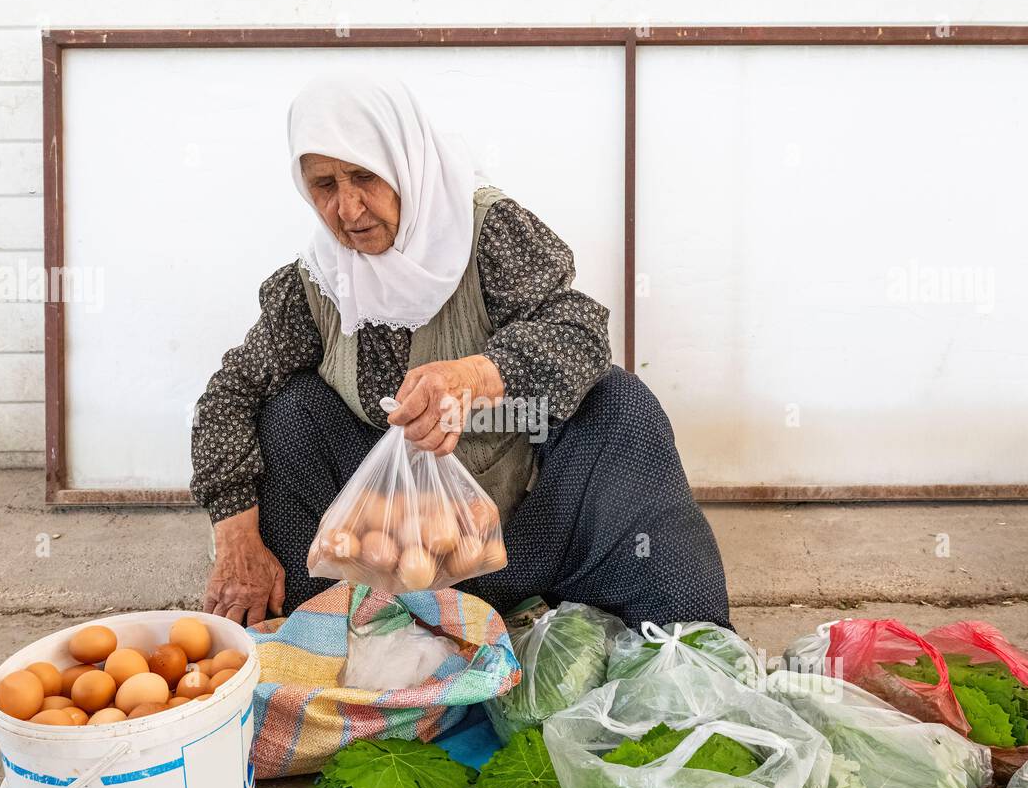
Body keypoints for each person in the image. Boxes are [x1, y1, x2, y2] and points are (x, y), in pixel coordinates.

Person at [190, 72, 729, 630]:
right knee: (289, 411)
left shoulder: (485, 232)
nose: (348, 209)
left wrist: (477, 375)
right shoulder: (319, 280)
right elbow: (228, 395)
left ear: (405, 163)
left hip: (518, 529)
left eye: (363, 177)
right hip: (385, 549)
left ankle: (678, 637)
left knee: (618, 400)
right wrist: (236, 537)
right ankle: (329, 631)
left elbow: (579, 328)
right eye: (324, 186)